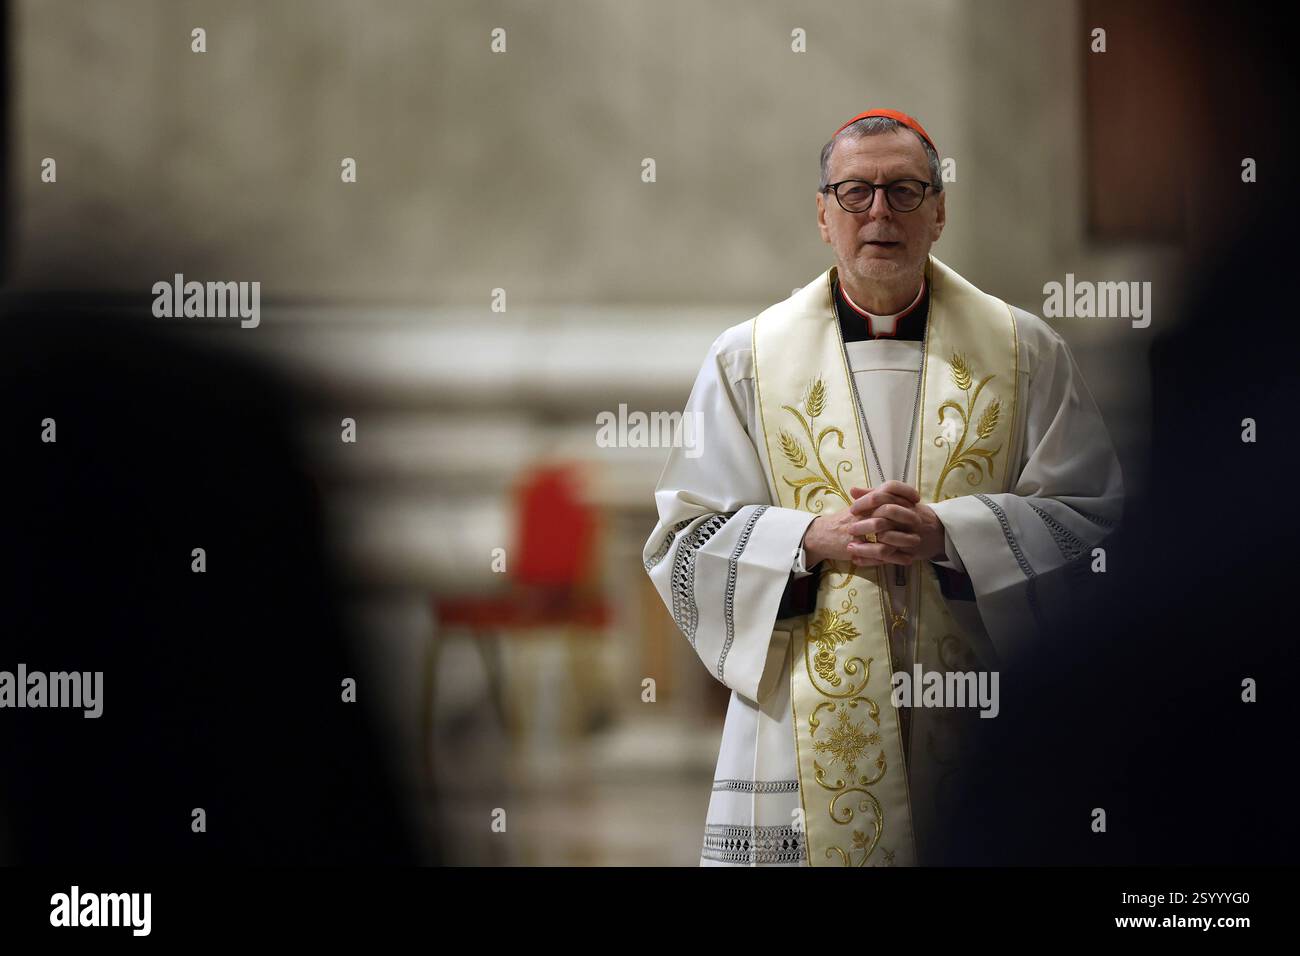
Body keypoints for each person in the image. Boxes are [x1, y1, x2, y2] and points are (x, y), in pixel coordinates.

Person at [642, 108, 1123, 866]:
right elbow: (681, 543)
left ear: (939, 211)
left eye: (904, 191)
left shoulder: (1026, 350)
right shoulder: (747, 362)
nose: (879, 214)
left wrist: (954, 536)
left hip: (980, 713)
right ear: (822, 214)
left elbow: (1095, 524)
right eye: (855, 193)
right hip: (803, 736)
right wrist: (805, 539)